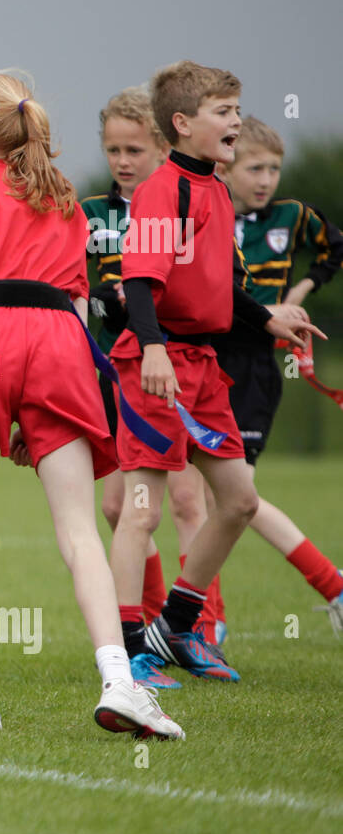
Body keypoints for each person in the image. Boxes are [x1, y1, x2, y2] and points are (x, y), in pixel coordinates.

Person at [0, 70, 183, 738]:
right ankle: (121, 682)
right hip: (59, 343)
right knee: (79, 530)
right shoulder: (64, 191)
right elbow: (79, 304)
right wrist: (42, 405)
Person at [106, 62, 323, 685]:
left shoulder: (215, 191)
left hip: (203, 365)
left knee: (239, 500)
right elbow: (141, 280)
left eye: (236, 109)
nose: (236, 122)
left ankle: (174, 626)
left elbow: (221, 288)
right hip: (159, 361)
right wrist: (150, 351)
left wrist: (267, 321)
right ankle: (126, 654)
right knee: (140, 510)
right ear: (182, 123)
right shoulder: (162, 189)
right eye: (224, 112)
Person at [83, 89, 215, 688]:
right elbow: (68, 286)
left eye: (134, 148)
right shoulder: (91, 214)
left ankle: (200, 628)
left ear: (165, 144)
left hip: (171, 368)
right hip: (109, 372)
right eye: (112, 149)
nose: (122, 160)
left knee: (189, 502)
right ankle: (148, 632)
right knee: (118, 507)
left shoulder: (181, 204)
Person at [211, 117, 343, 635]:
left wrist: (296, 296)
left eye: (274, 168)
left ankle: (330, 585)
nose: (266, 178)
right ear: (225, 169)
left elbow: (334, 247)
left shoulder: (292, 216)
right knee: (202, 498)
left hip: (254, 364)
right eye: (254, 167)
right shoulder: (211, 211)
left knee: (234, 494)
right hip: (205, 358)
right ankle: (206, 619)